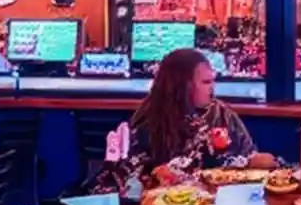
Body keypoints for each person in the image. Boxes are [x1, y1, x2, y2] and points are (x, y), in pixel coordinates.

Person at [92, 49, 268, 195]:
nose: (212, 89)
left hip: (218, 204)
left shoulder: (221, 114)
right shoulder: (149, 119)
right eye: (206, 82)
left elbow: (247, 158)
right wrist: (156, 175)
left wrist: (255, 161)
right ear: (183, 86)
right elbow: (129, 182)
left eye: (212, 81)